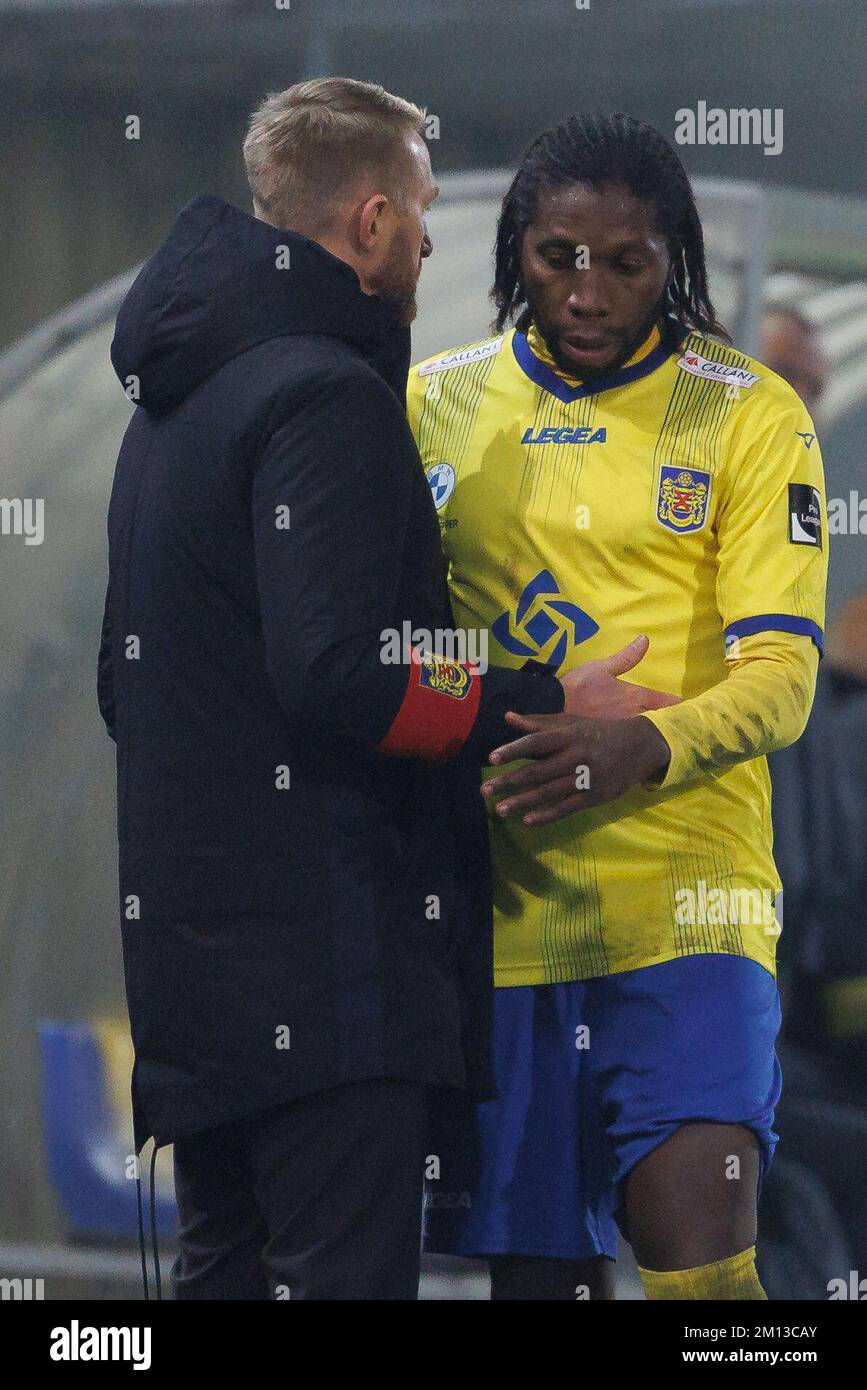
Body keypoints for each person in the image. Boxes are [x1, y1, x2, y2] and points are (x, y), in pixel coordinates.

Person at [97, 80, 670, 1301]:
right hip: (333, 980)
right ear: (365, 224)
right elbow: (347, 665)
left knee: (226, 1279)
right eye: (416, 210)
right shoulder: (327, 397)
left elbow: (121, 686)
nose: (424, 239)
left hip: (199, 994)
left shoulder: (170, 412)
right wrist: (535, 692)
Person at [408, 112, 828, 1300]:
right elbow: (383, 657)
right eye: (556, 258)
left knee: (706, 1278)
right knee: (541, 1290)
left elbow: (784, 678)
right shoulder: (432, 404)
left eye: (625, 264)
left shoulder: (745, 412)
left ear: (673, 259)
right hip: (501, 920)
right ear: (516, 250)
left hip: (689, 915)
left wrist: (637, 744)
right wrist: (501, 716)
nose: (586, 292)